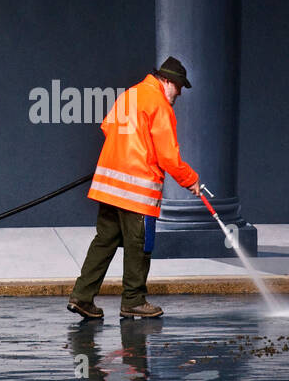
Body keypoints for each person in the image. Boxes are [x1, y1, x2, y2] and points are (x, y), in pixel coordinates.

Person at [67, 57, 200, 319]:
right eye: (180, 87)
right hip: (137, 191)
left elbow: (107, 127)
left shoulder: (130, 95)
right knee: (139, 246)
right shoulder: (160, 104)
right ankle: (133, 300)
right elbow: (168, 157)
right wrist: (190, 179)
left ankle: (82, 297)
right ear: (167, 81)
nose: (180, 93)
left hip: (108, 186)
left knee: (104, 242)